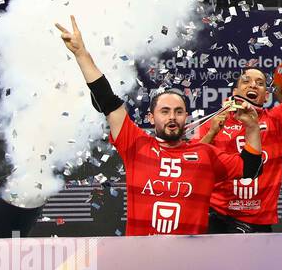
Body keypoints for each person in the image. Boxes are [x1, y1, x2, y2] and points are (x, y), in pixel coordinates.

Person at [56, 15, 262, 236]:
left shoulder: (205, 154)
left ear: (186, 117)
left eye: (178, 111)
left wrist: (252, 128)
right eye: (165, 111)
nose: (172, 117)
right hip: (141, 260)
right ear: (151, 118)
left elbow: (251, 169)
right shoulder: (136, 145)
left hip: (191, 264)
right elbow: (108, 101)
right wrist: (81, 55)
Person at [196, 22, 282, 233]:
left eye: (260, 83)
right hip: (217, 218)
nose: (253, 85)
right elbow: (193, 167)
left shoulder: (277, 120)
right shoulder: (215, 123)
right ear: (236, 90)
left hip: (257, 224)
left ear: (266, 95)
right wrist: (214, 131)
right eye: (246, 81)